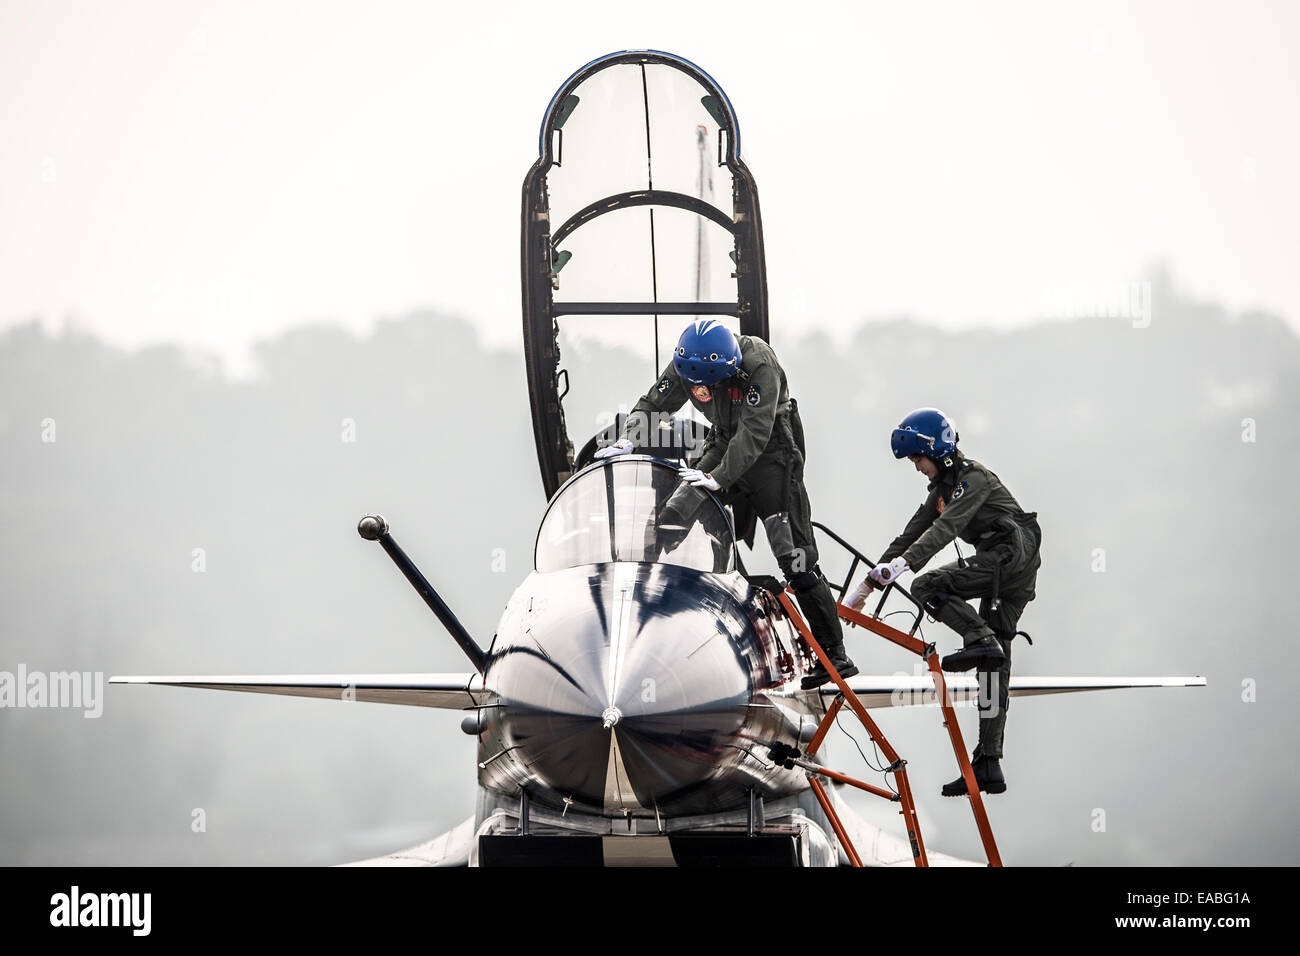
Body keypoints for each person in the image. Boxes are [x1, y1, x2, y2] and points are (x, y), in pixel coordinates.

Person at [596, 318, 858, 689]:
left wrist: (718, 479)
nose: (703, 390)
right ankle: (638, 624)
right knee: (671, 517)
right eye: (697, 386)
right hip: (723, 443)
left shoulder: (759, 366)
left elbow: (754, 433)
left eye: (711, 384)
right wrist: (630, 438)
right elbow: (655, 402)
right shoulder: (689, 364)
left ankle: (835, 653)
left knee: (794, 557)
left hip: (772, 456)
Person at [847, 408, 1041, 796]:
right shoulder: (941, 491)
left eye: (917, 459)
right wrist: (867, 586)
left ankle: (979, 636)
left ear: (936, 452)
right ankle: (989, 762)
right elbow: (909, 535)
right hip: (1006, 565)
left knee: (925, 586)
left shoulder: (973, 480)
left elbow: (945, 528)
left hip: (1009, 554)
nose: (916, 468)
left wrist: (904, 568)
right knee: (992, 668)